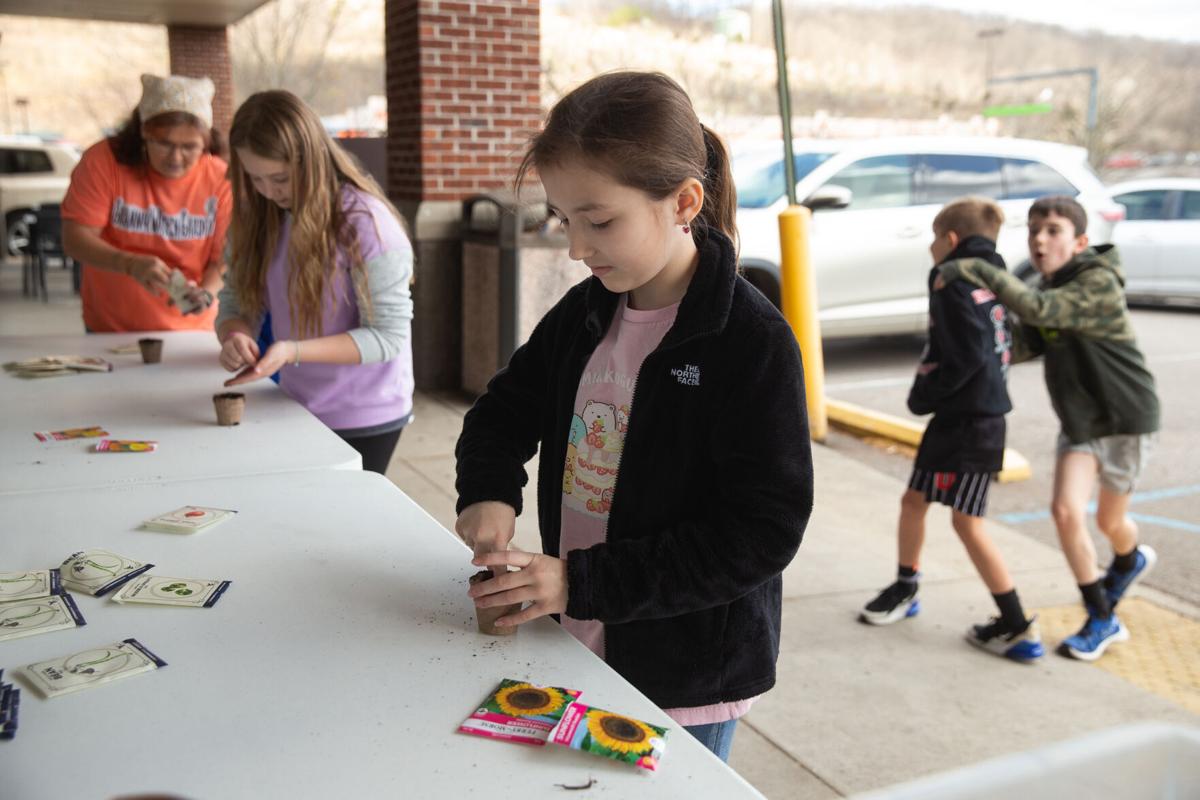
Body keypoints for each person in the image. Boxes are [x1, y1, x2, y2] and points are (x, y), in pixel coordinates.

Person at [454, 71, 813, 762]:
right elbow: (501, 412)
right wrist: (488, 491)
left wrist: (582, 582)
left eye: (599, 221)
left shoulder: (751, 342)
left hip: (686, 672)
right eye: (564, 220)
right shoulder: (584, 313)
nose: (576, 248)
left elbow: (761, 532)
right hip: (578, 636)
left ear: (683, 202)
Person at [937, 195, 1160, 661]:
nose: (1040, 239)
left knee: (1110, 522)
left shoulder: (1097, 282)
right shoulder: (1049, 284)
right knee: (1064, 512)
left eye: (1053, 230)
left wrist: (971, 268)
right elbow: (1023, 343)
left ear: (1080, 241)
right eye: (1034, 229)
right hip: (1081, 424)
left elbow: (1039, 309)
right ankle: (1102, 617)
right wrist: (973, 331)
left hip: (1124, 419)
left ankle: (1129, 558)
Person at [860, 197, 1043, 662]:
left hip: (969, 422)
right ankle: (906, 585)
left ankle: (1017, 623)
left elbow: (968, 355)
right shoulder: (994, 277)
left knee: (966, 521)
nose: (931, 247)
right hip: (971, 418)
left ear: (951, 239)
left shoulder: (951, 279)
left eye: (934, 238)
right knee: (914, 501)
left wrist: (926, 395)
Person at [214, 91, 414, 475]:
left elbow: (388, 337)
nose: (268, 191)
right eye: (255, 178)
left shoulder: (365, 221)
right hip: (295, 403)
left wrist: (292, 351)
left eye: (280, 178)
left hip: (366, 412)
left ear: (312, 160)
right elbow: (235, 300)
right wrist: (234, 334)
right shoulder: (260, 216)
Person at [62, 73, 231, 332]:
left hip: (192, 330)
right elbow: (75, 238)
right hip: (111, 326)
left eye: (190, 147)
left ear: (206, 142)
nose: (176, 158)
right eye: (164, 143)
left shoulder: (220, 177)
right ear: (143, 132)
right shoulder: (103, 161)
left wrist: (207, 293)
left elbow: (226, 258)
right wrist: (129, 264)